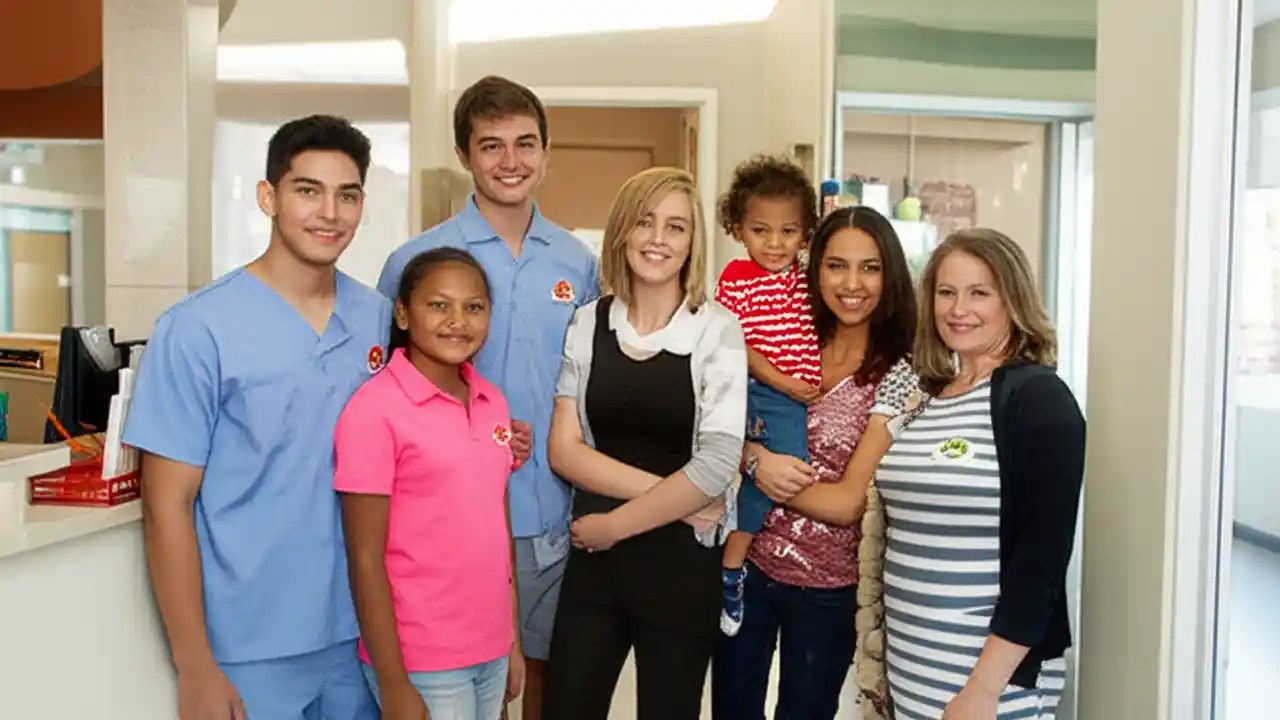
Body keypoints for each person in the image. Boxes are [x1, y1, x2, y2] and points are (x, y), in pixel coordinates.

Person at [125, 115, 386, 720]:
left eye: (346, 195)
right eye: (307, 190)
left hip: (365, 634)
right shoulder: (196, 329)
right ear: (269, 197)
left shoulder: (377, 319)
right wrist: (194, 664)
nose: (329, 212)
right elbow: (166, 503)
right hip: (249, 646)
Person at [376, 75, 598, 720]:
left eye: (525, 144)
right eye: (492, 145)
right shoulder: (419, 259)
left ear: (546, 153)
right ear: (465, 156)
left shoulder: (577, 262)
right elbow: (391, 385)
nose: (511, 162)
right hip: (453, 518)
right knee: (483, 684)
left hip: (560, 506)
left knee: (553, 674)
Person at [542, 167, 748, 719]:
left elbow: (719, 463)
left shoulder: (717, 330)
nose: (658, 239)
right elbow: (564, 451)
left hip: (676, 573)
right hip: (595, 571)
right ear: (622, 233)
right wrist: (685, 504)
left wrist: (616, 524)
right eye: (645, 222)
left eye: (676, 227)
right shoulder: (588, 322)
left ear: (691, 243)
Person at [713, 206, 919, 720]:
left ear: (890, 275)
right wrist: (749, 454)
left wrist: (756, 468)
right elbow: (715, 432)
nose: (852, 283)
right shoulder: (781, 340)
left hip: (828, 589)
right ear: (814, 269)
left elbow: (849, 502)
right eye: (836, 265)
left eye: (870, 267)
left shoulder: (901, 372)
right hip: (744, 569)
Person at [874, 229, 1084, 720]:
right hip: (914, 662)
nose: (957, 309)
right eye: (946, 292)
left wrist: (984, 689)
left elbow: (1042, 560)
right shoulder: (931, 397)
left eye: (979, 293)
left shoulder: (1038, 399)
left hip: (988, 679)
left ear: (1012, 299)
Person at [336, 248, 530, 720]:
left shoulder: (492, 403)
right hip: (422, 659)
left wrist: (512, 644)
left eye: (474, 307)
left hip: (490, 648)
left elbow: (498, 535)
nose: (457, 321)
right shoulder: (375, 410)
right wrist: (393, 681)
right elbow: (365, 558)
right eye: (438, 305)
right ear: (403, 312)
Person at [712, 155, 822, 637]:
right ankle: (730, 569)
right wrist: (785, 383)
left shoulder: (808, 279)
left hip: (791, 396)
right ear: (738, 228)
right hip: (758, 390)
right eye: (761, 231)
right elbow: (737, 345)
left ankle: (733, 559)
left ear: (806, 232)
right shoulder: (736, 279)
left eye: (788, 232)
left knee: (781, 474)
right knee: (771, 469)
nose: (774, 244)